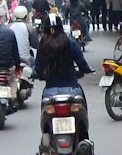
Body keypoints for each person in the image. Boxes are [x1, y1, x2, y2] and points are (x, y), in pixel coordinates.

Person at [35, 14, 93, 143]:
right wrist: (85, 70)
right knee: (82, 115)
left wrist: (38, 74)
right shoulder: (70, 43)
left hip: (50, 91)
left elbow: (38, 68)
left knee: (45, 120)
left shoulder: (43, 45)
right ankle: (84, 139)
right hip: (72, 89)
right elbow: (82, 64)